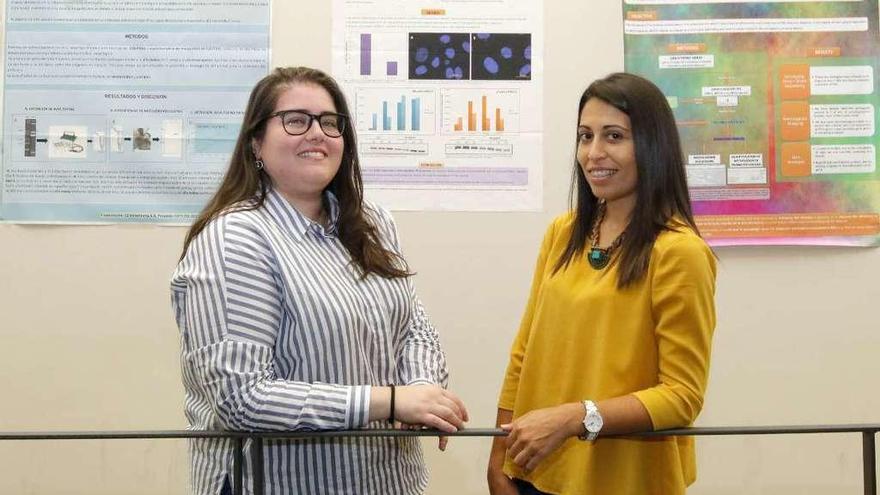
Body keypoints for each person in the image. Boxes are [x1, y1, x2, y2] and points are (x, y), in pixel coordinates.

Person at [171, 66, 468, 495]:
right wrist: (388, 400)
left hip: (384, 480)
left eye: (331, 123)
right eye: (296, 120)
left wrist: (421, 388)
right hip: (279, 482)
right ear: (256, 143)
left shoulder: (372, 222)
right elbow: (242, 399)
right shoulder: (234, 237)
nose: (317, 134)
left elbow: (413, 326)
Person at [487, 72, 717, 495]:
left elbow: (682, 396)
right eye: (584, 136)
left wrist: (577, 417)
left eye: (614, 136)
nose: (594, 153)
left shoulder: (678, 252)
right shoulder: (563, 232)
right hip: (536, 474)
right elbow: (524, 353)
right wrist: (500, 453)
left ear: (652, 146)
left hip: (625, 481)